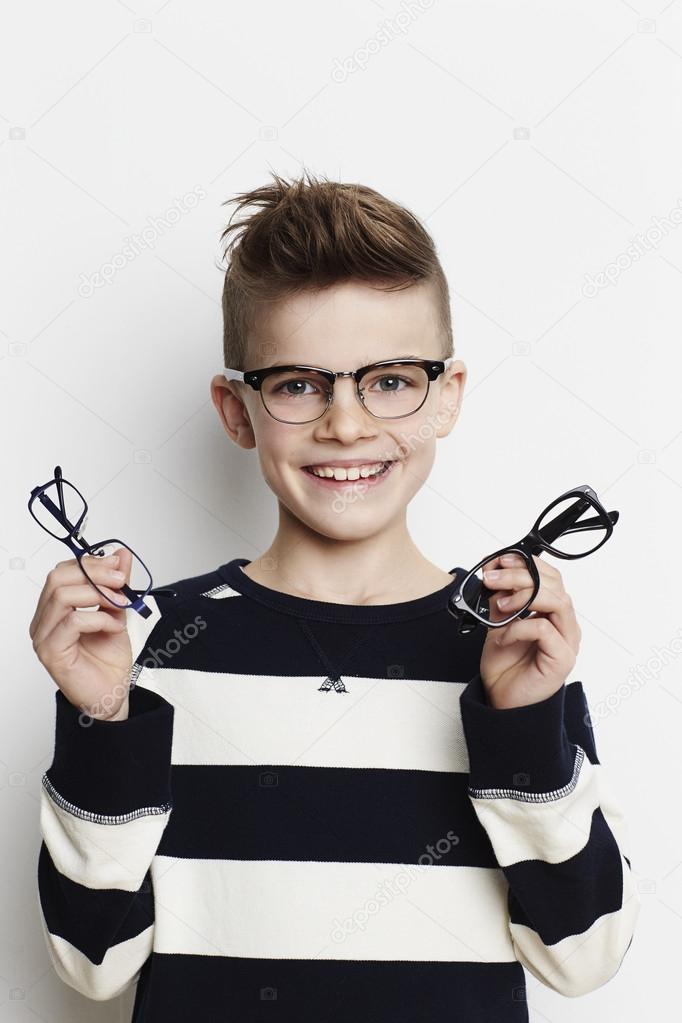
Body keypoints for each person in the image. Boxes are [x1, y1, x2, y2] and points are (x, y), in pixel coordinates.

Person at [31, 170, 639, 1022]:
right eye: (298, 384)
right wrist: (103, 718)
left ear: (447, 397)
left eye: (391, 380)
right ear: (238, 409)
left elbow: (583, 957)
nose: (346, 424)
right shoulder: (152, 645)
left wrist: (524, 726)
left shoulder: (508, 650)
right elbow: (91, 963)